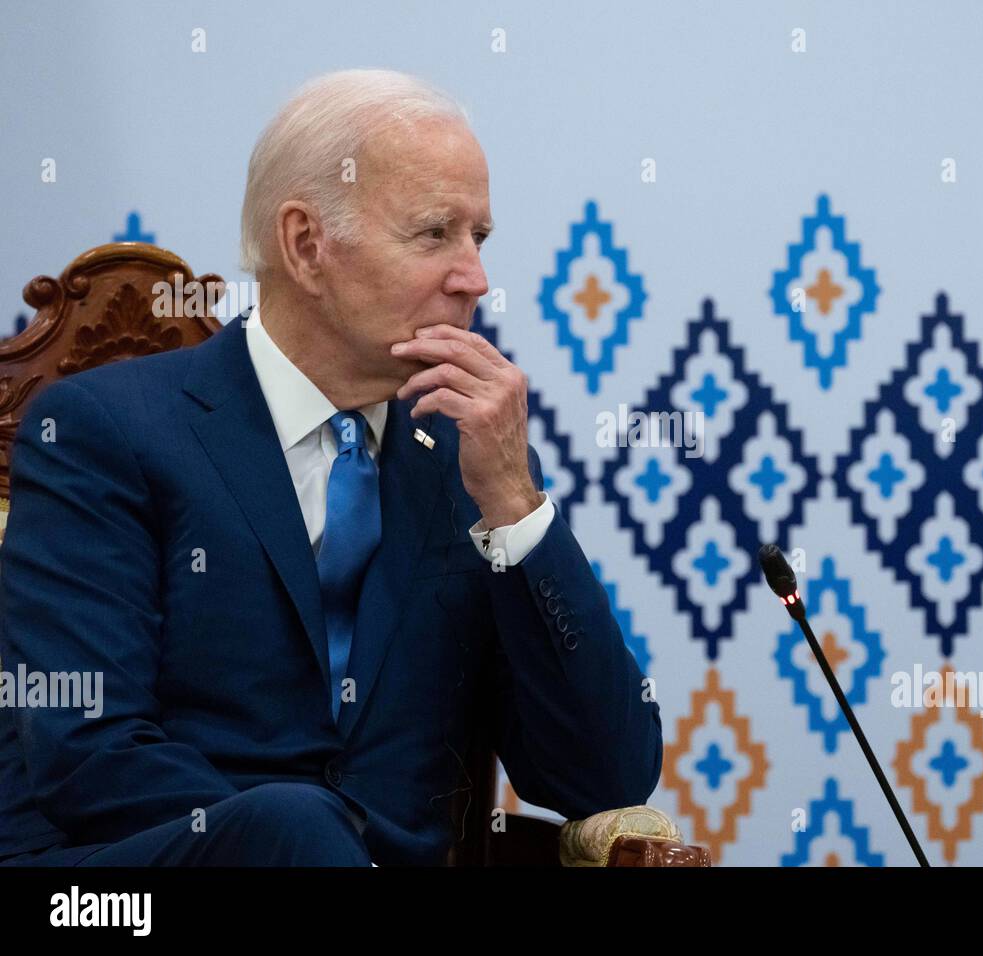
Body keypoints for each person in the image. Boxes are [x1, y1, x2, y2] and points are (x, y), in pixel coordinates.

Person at [0, 69, 661, 866]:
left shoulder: (467, 463)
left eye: (479, 239)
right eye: (434, 234)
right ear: (307, 245)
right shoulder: (105, 432)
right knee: (290, 825)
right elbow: (90, 752)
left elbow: (606, 777)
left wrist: (519, 509)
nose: (475, 279)